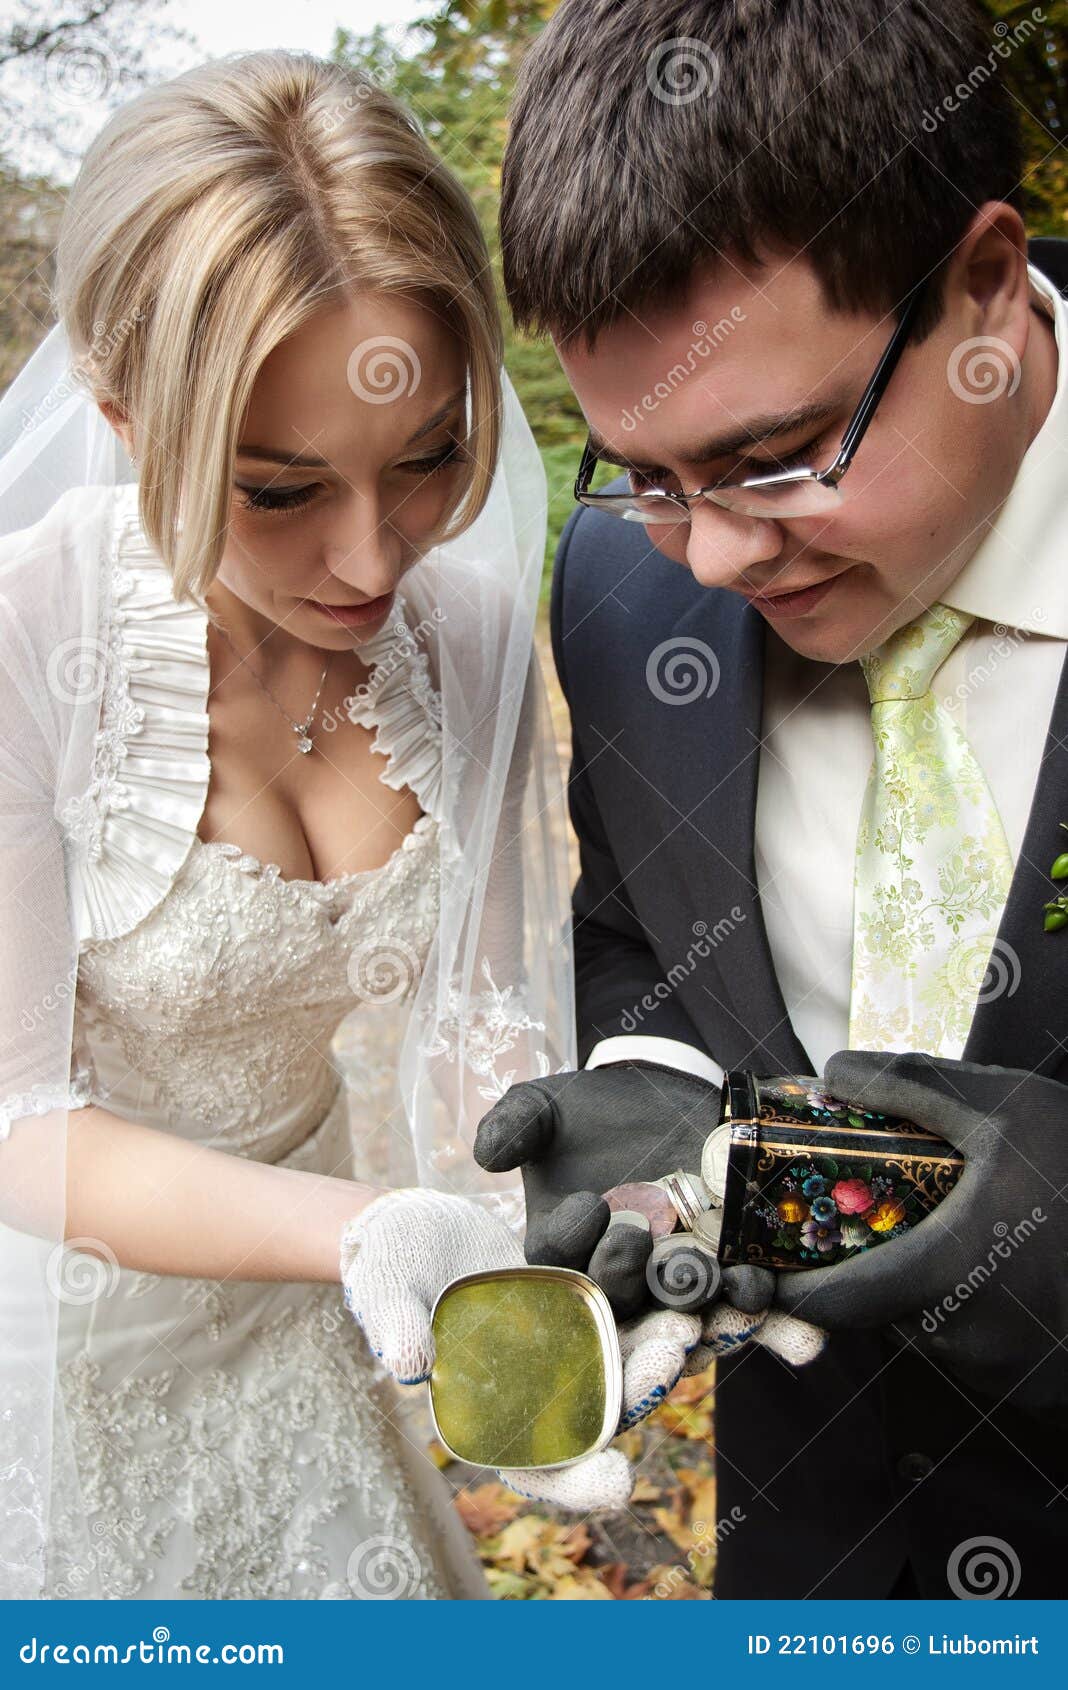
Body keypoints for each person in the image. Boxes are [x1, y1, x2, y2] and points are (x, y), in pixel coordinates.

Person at [471, 0, 1068, 1600]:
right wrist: (660, 1082)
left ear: (986, 287)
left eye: (780, 455)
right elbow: (635, 923)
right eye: (645, 473)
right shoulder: (617, 585)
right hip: (812, 1547)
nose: (715, 557)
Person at [0, 47, 581, 1601]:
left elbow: (492, 1019)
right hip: (60, 1353)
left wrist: (579, 1239)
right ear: (127, 415)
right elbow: (19, 1124)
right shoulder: (22, 647)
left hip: (323, 1320)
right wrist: (362, 1224)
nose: (372, 555)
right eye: (277, 489)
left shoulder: (463, 637)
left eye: (429, 458)